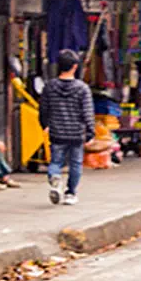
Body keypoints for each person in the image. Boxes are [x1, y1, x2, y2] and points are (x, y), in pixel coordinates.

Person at [40, 49, 95, 206]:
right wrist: (90, 132)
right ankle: (70, 193)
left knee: (55, 161)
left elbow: (43, 109)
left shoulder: (49, 87)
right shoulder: (82, 88)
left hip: (57, 131)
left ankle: (55, 178)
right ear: (75, 67)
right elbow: (87, 112)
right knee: (75, 164)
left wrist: (45, 125)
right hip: (76, 133)